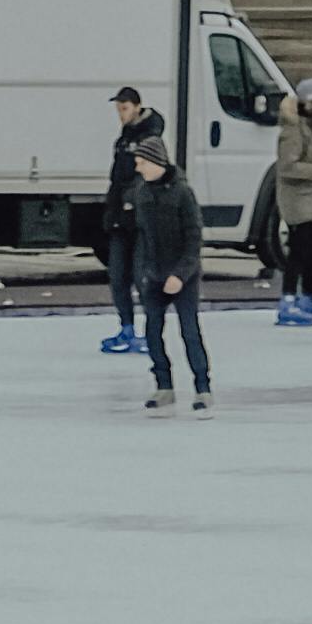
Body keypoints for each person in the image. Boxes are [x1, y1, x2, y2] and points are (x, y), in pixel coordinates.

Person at [128, 130, 212, 414]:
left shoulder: (182, 193)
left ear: (155, 162)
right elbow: (142, 237)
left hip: (182, 276)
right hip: (153, 275)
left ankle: (203, 387)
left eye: (141, 162)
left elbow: (194, 238)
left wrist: (180, 274)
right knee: (152, 330)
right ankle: (163, 384)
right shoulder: (141, 193)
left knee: (189, 331)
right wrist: (143, 273)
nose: (137, 167)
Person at [100, 87, 155, 354]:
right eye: (118, 110)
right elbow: (117, 176)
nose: (120, 115)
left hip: (140, 219)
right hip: (120, 218)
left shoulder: (149, 137)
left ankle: (152, 330)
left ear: (136, 107)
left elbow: (146, 176)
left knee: (140, 274)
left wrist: (132, 202)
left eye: (124, 109)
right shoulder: (123, 139)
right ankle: (127, 327)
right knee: (117, 275)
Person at [272, 77, 312, 320]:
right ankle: (288, 300)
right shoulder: (293, 130)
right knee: (299, 248)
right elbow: (287, 166)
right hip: (297, 198)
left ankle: (307, 297)